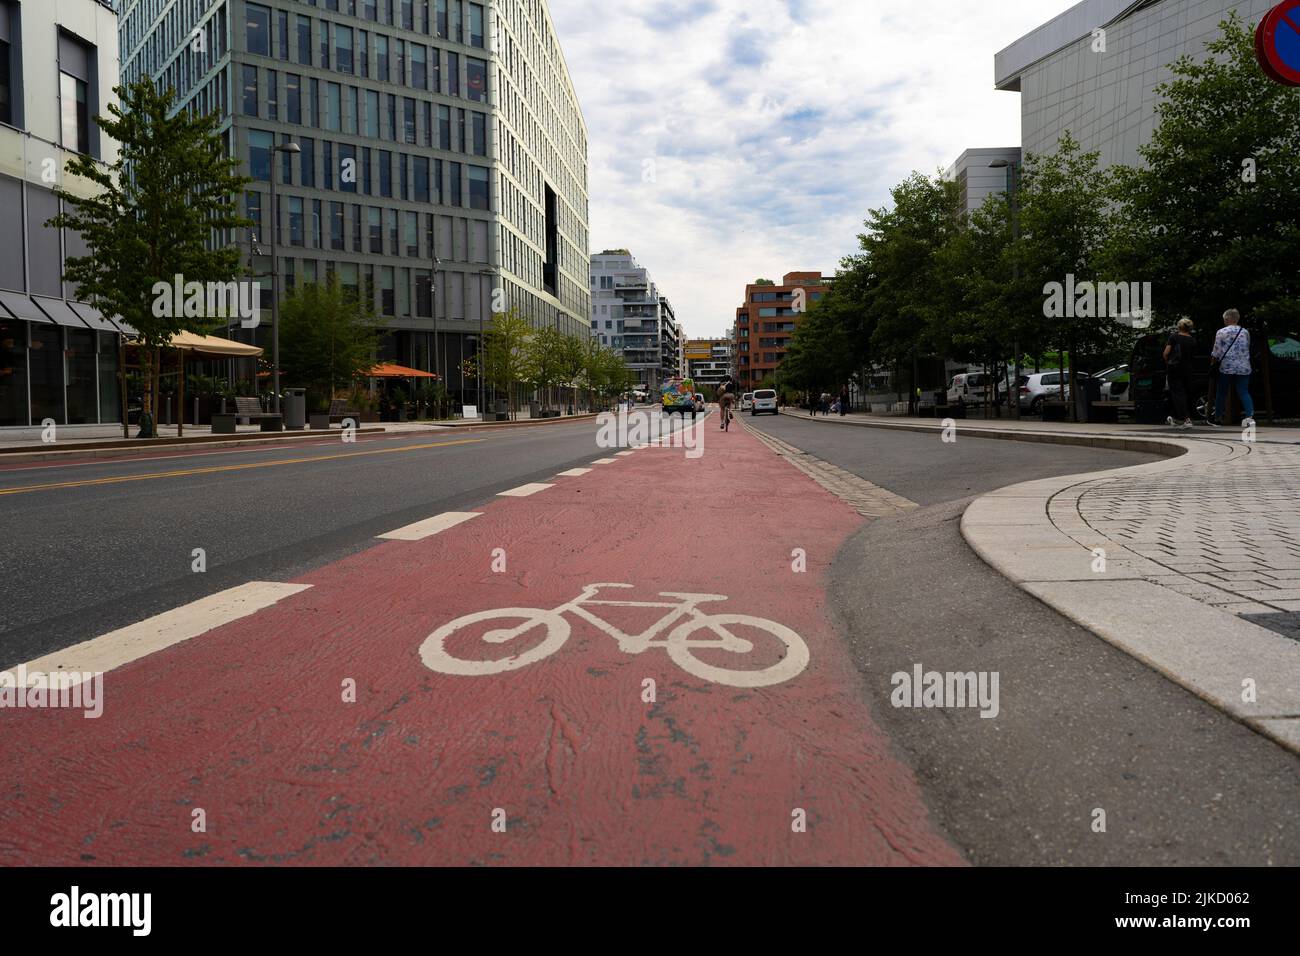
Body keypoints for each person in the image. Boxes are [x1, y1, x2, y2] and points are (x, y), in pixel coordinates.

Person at [1208, 309, 1255, 428]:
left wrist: (1213, 363)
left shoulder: (1221, 332)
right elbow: (1247, 347)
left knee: (1221, 393)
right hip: (1244, 366)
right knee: (1244, 392)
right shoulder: (1245, 332)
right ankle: (1250, 417)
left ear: (1227, 319)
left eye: (1224, 319)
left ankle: (1217, 418)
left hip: (1226, 367)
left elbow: (1216, 351)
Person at [1162, 318, 1196, 428]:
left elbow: (1166, 353)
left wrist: (1168, 362)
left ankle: (1186, 419)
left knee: (1177, 393)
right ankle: (1176, 417)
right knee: (1185, 393)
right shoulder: (1192, 340)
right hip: (1188, 369)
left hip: (1175, 368)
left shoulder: (1174, 337)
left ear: (1179, 327)